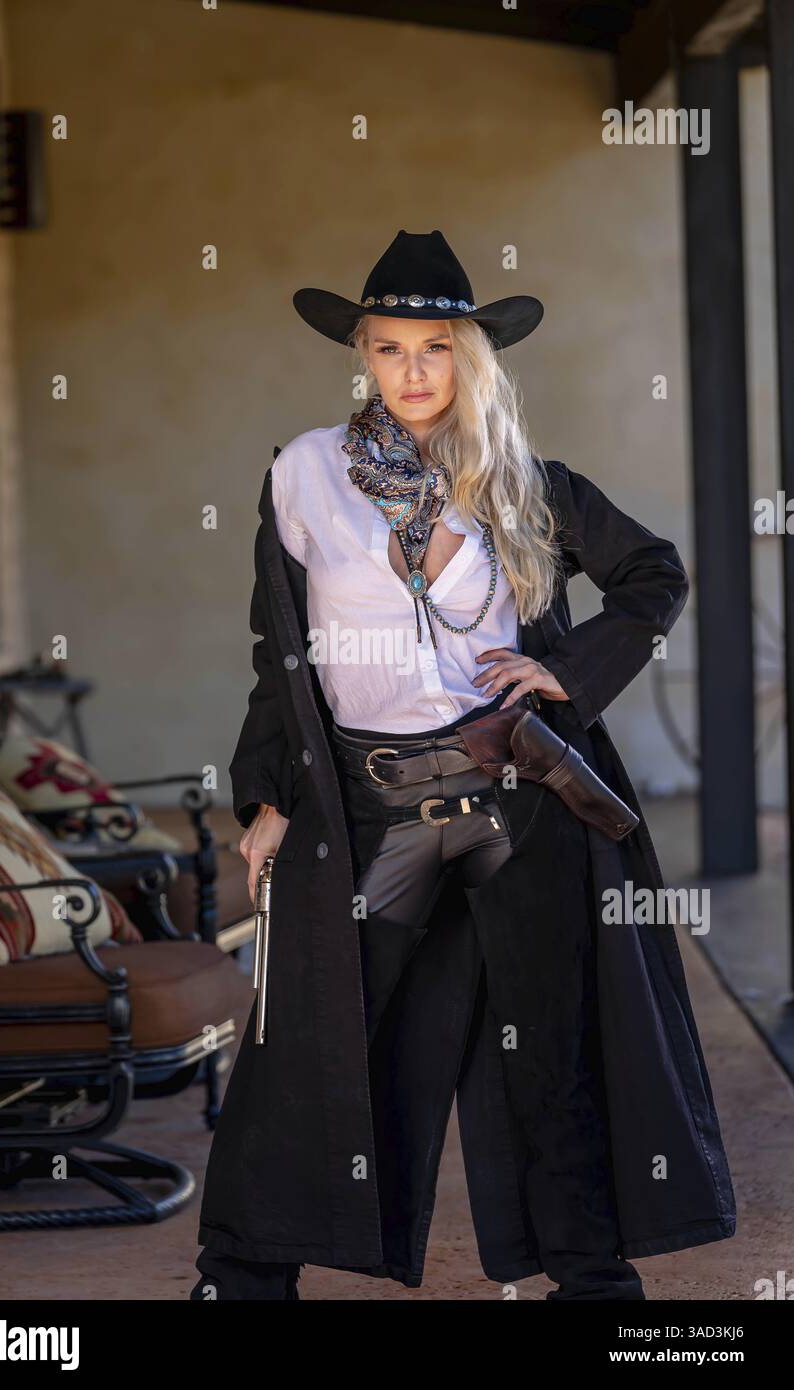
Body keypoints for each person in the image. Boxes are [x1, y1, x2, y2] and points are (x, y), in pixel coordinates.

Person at [191, 230, 736, 1302]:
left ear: (468, 356)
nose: (409, 370)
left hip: (511, 803)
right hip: (370, 809)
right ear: (362, 354)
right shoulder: (301, 475)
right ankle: (243, 1277)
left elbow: (651, 574)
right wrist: (262, 801)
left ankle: (589, 1278)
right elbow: (278, 656)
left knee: (549, 1044)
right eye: (387, 346)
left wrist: (565, 675)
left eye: (432, 347)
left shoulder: (525, 484)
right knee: (322, 1038)